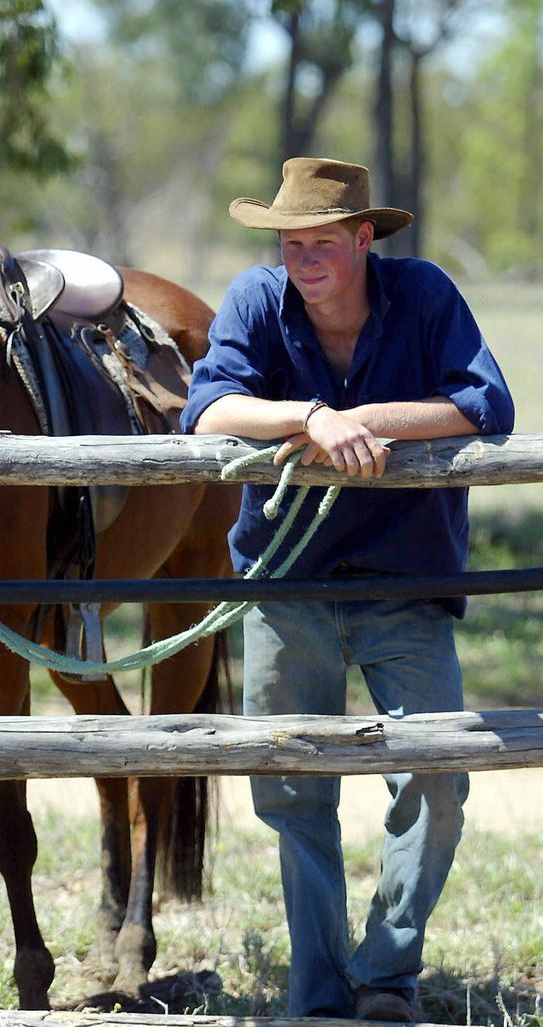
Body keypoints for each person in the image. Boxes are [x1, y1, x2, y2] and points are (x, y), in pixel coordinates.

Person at [180, 157, 514, 1021]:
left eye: (322, 242)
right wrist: (311, 417)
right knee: (293, 788)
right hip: (286, 584)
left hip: (407, 580)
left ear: (365, 238)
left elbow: (486, 403)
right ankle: (323, 995)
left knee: (436, 779)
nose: (303, 260)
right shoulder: (257, 299)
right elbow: (208, 407)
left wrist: (367, 421)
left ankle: (387, 971)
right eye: (290, 244)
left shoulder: (425, 294)